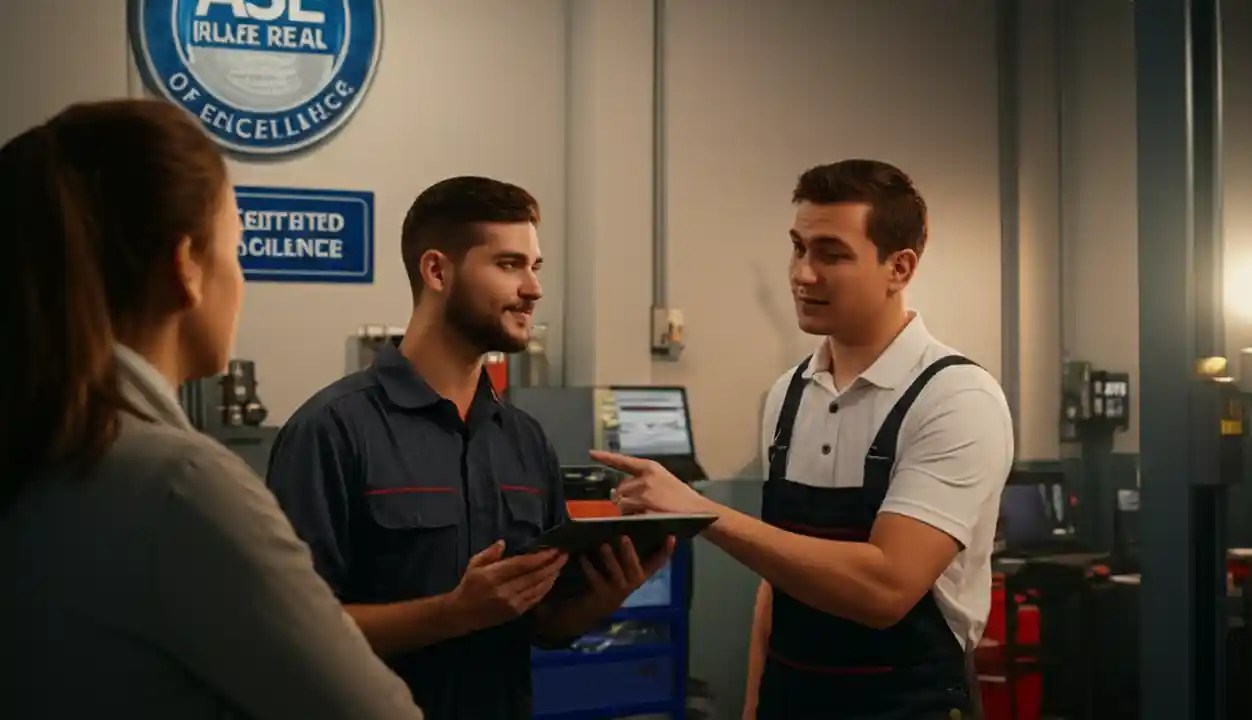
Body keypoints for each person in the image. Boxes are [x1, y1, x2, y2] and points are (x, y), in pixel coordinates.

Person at [0, 99, 420, 719]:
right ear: (187, 267)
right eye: (237, 248)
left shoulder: (35, 450)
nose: (241, 278)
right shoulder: (179, 487)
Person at [593, 159, 1014, 719]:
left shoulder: (957, 400)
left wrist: (703, 513)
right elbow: (780, 583)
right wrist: (754, 708)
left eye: (832, 254)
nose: (803, 274)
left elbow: (885, 588)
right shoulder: (788, 396)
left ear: (900, 267)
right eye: (798, 248)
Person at [266, 175, 674, 719]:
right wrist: (452, 613)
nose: (533, 289)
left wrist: (599, 597)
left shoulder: (524, 440)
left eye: (535, 267)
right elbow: (291, 637)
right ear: (437, 270)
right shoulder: (331, 430)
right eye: (509, 265)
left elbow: (543, 625)